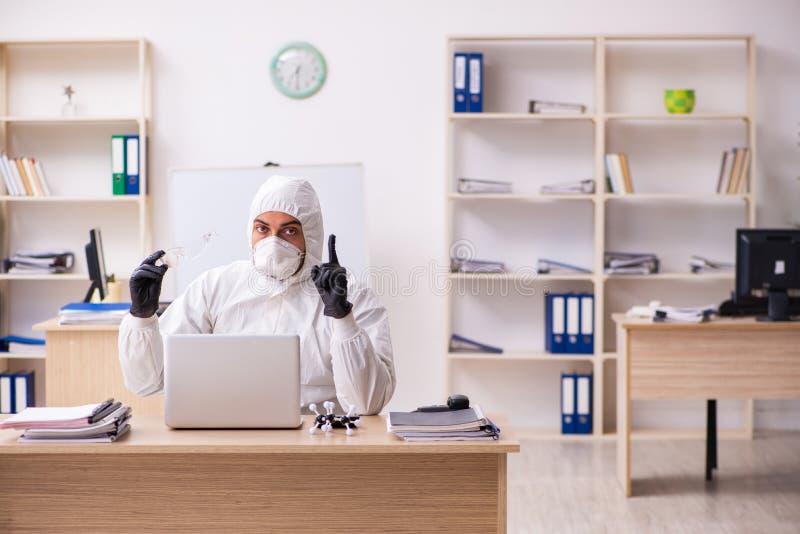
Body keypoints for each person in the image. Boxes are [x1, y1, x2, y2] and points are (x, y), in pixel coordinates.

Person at [118, 176, 396, 415]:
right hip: (229, 441)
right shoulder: (216, 286)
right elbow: (148, 384)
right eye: (263, 229)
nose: (273, 243)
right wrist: (142, 318)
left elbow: (366, 404)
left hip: (322, 444)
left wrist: (342, 318)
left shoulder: (353, 296)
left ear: (310, 237)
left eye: (289, 231)